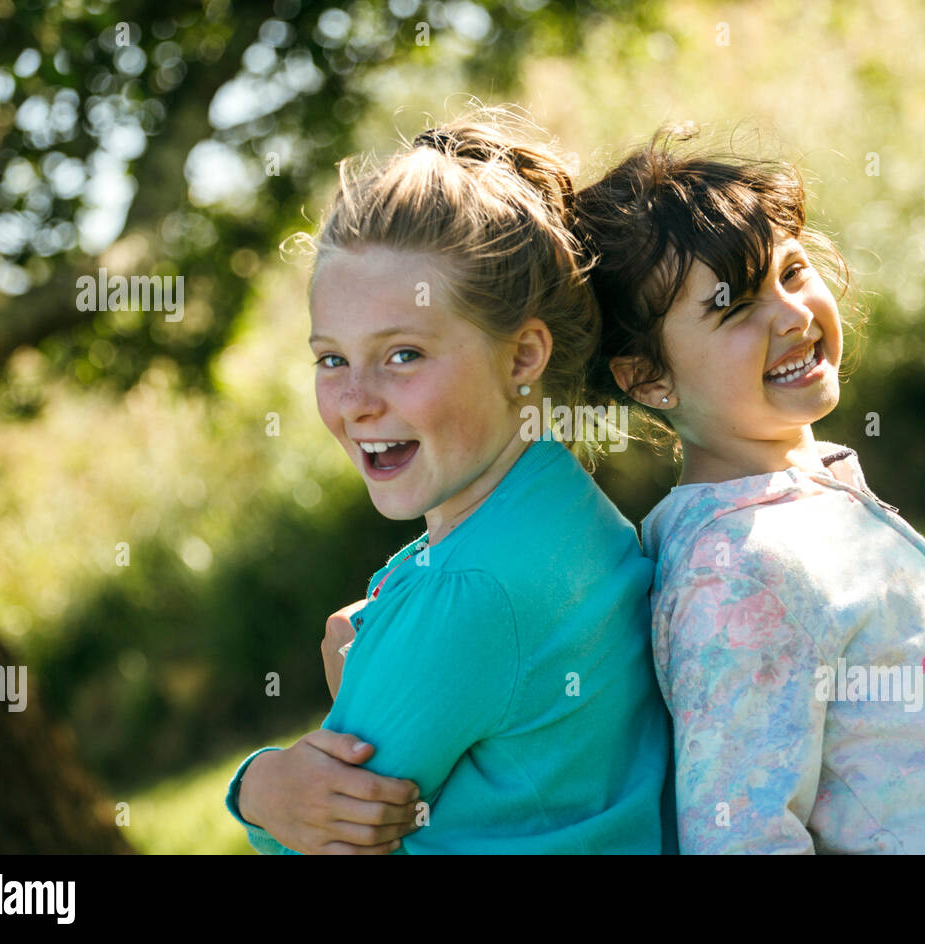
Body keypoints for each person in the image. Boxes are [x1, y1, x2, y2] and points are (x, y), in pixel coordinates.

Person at [568, 125, 925, 854]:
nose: (790, 313)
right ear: (648, 376)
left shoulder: (794, 507)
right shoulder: (738, 570)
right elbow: (741, 837)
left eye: (793, 271)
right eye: (735, 307)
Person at [224, 108, 675, 854]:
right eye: (331, 359)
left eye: (403, 355)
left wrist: (257, 789)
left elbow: (335, 834)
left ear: (524, 357)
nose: (358, 399)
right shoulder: (563, 506)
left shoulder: (464, 594)